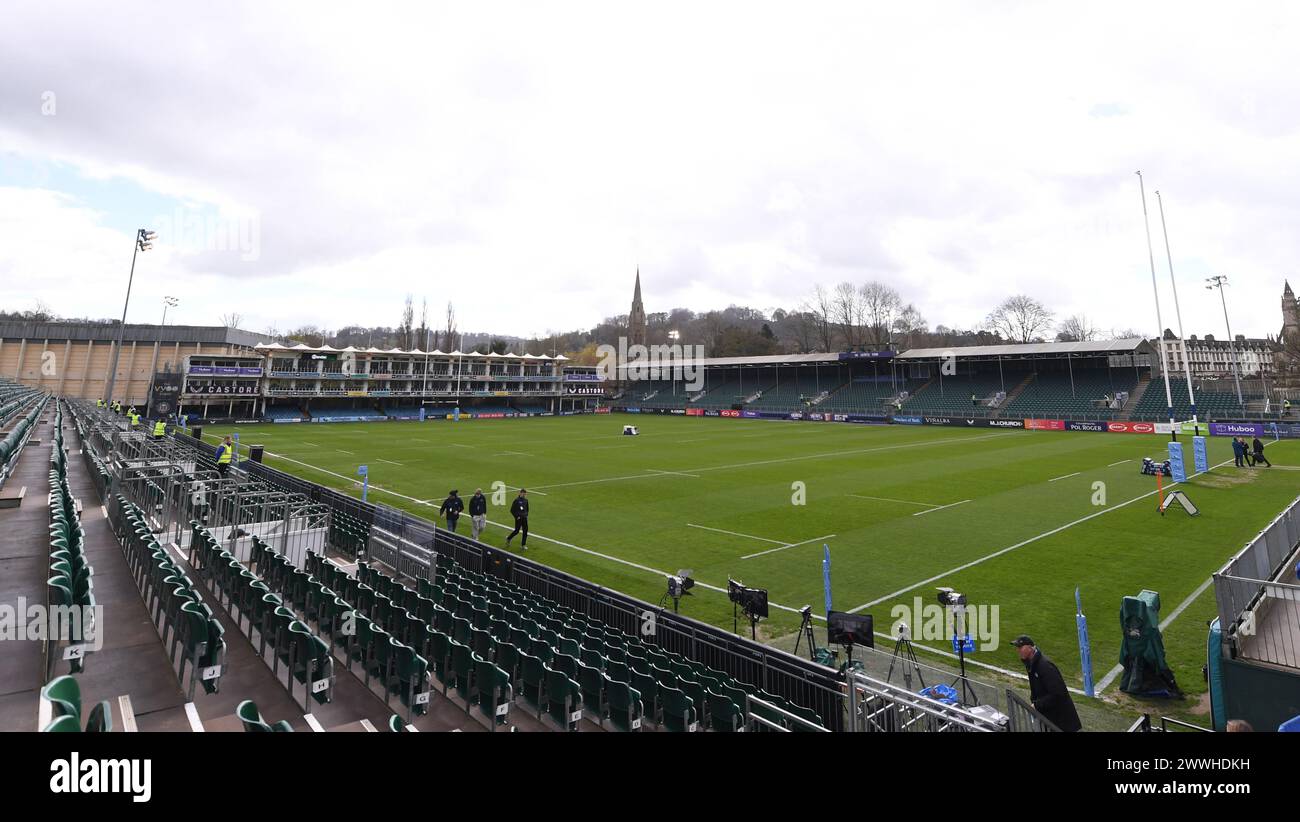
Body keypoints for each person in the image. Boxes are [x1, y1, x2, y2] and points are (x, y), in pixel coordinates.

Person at [1011, 635, 1082, 732]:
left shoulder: (1045, 666)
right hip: (1050, 716)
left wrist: (1037, 705)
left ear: (1031, 648)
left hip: (1060, 720)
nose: (1018, 650)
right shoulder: (1031, 664)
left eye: (1020, 647)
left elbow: (1058, 693)